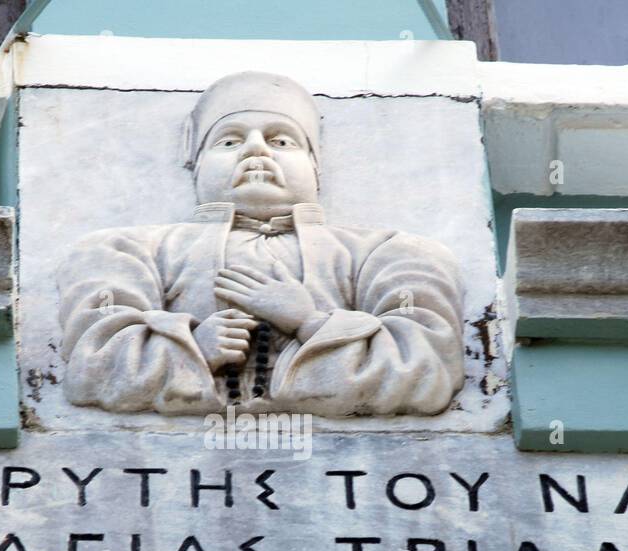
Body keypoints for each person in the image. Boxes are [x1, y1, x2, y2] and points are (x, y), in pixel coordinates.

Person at [57, 71, 465, 416]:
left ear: (315, 165)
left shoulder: (391, 253)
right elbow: (92, 365)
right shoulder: (122, 251)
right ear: (196, 164)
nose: (256, 149)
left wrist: (310, 323)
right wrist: (193, 349)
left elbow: (428, 368)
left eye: (282, 140)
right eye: (229, 141)